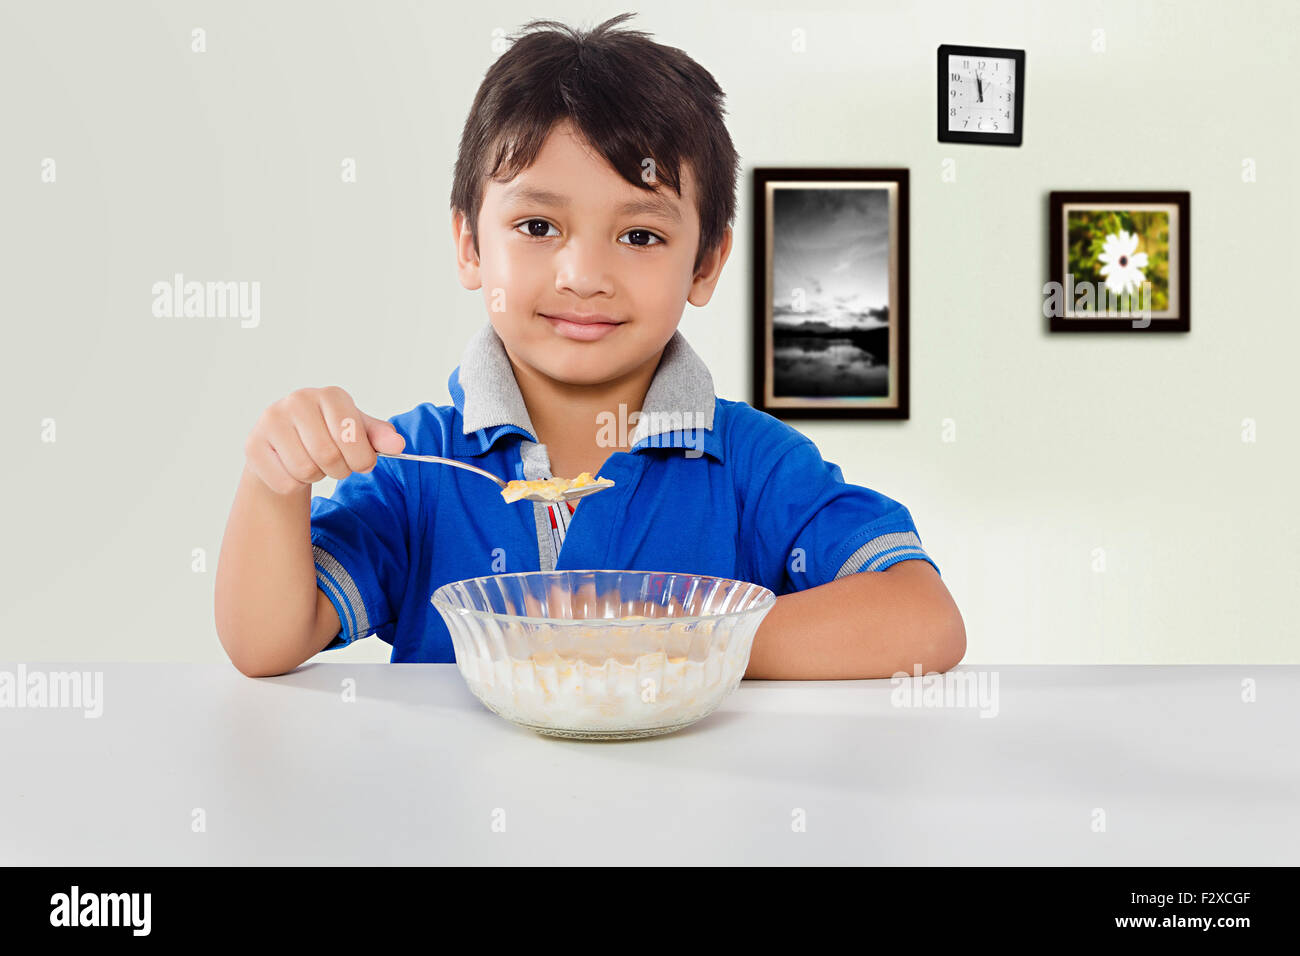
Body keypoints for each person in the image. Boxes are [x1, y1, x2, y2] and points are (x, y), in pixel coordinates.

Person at [215, 13, 965, 679]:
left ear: (705, 263)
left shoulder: (752, 467)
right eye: (538, 228)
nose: (584, 276)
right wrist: (275, 483)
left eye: (640, 235)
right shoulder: (416, 467)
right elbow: (265, 643)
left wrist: (674, 646)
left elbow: (922, 619)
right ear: (469, 244)